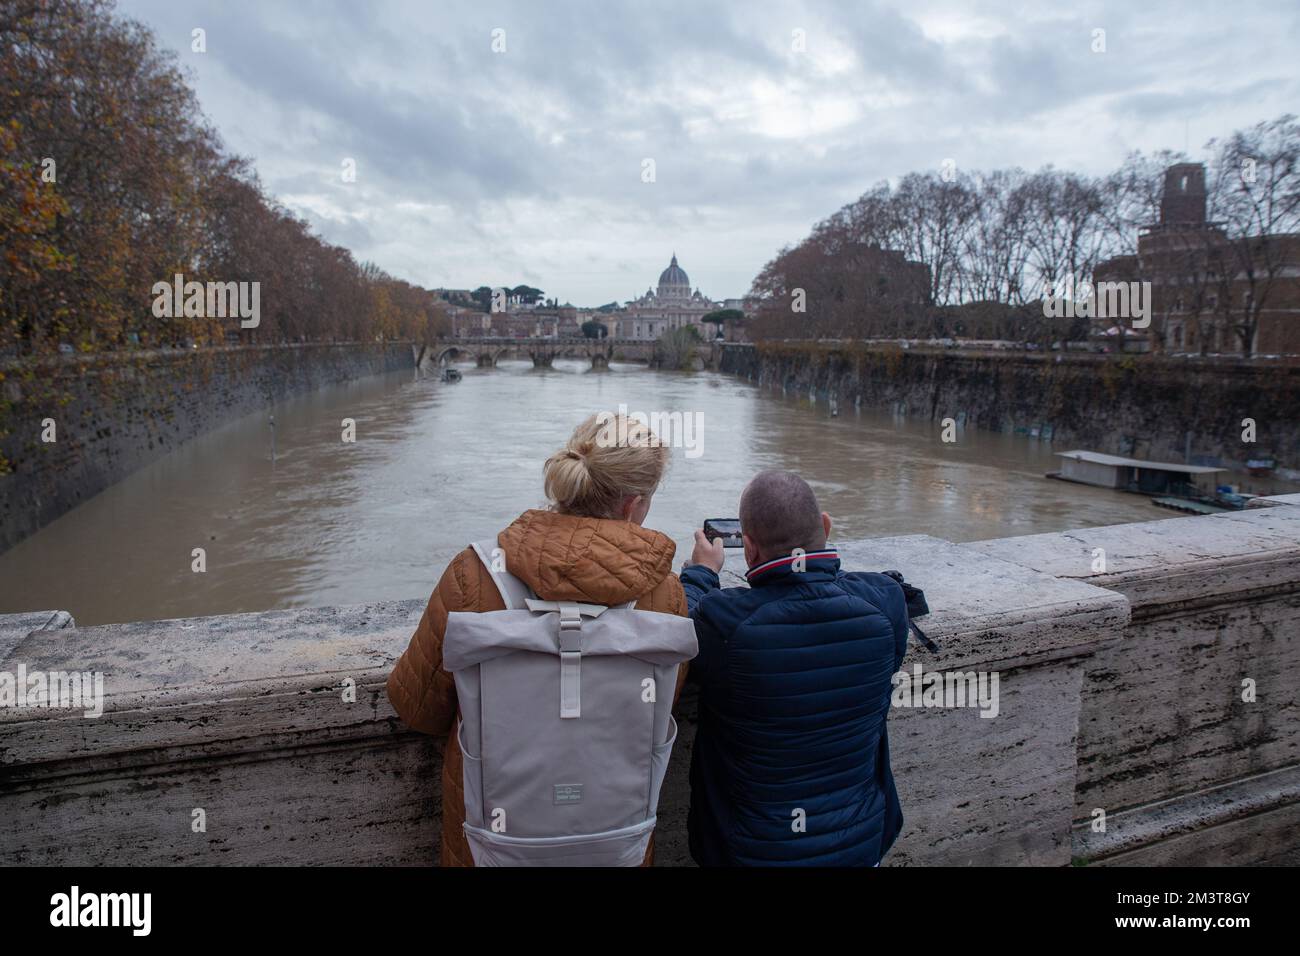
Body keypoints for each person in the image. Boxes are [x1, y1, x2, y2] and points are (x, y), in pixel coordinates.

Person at [386, 413, 688, 867]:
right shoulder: (665, 595)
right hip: (614, 845)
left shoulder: (474, 575)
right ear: (633, 506)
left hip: (492, 845)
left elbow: (418, 707)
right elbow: (663, 703)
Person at [680, 469, 909, 866]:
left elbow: (678, 624)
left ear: (747, 549)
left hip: (751, 853)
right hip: (860, 845)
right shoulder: (886, 606)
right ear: (825, 525)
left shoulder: (727, 625)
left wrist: (702, 571)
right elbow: (844, 590)